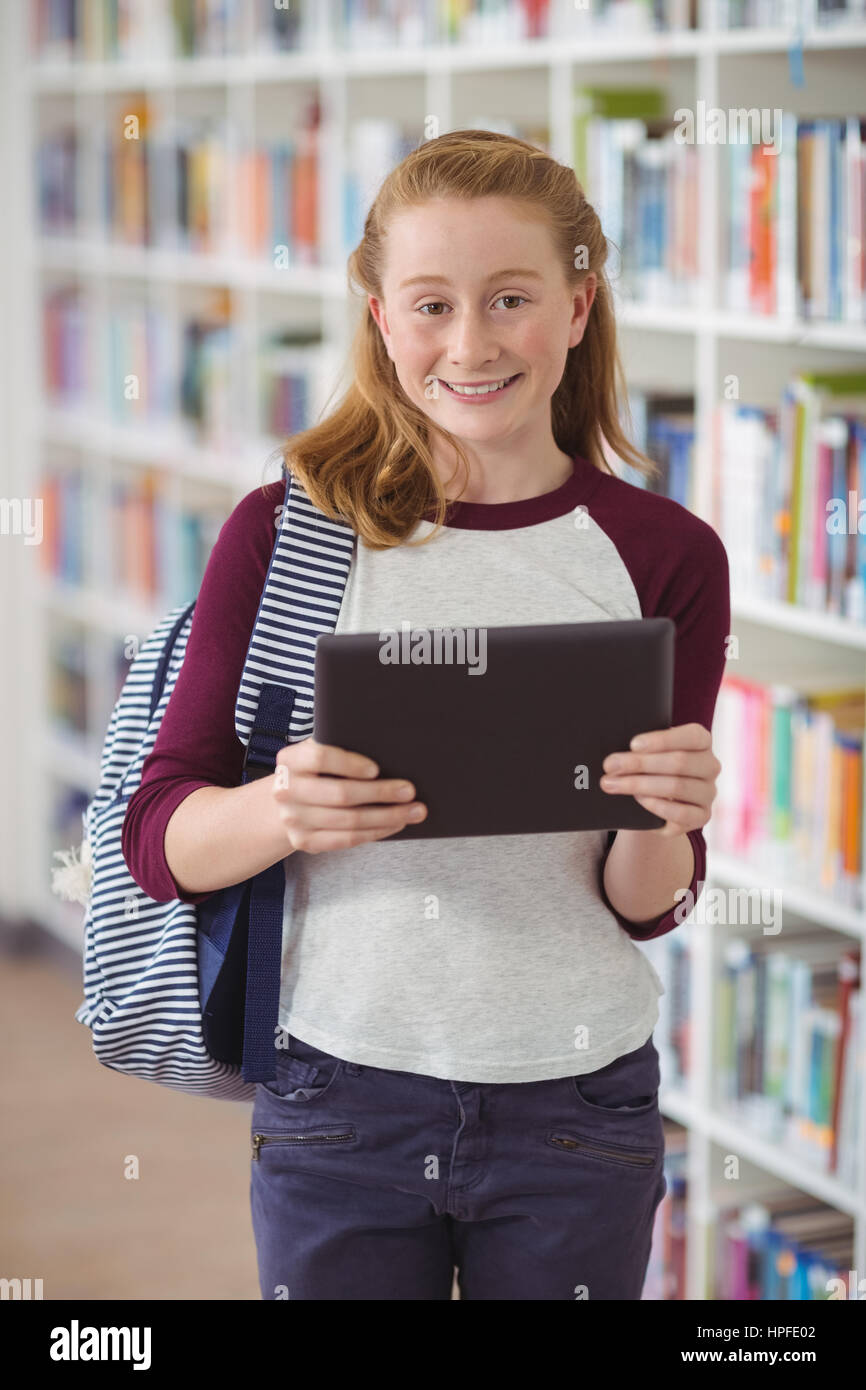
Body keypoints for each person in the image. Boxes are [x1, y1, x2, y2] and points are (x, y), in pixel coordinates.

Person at [122, 130, 729, 1300]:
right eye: (430, 304)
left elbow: (645, 904)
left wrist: (663, 817)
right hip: (338, 1098)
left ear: (575, 306)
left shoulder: (664, 554)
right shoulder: (286, 532)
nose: (470, 344)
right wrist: (280, 809)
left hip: (577, 1103)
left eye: (511, 298)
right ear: (379, 316)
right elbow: (162, 841)